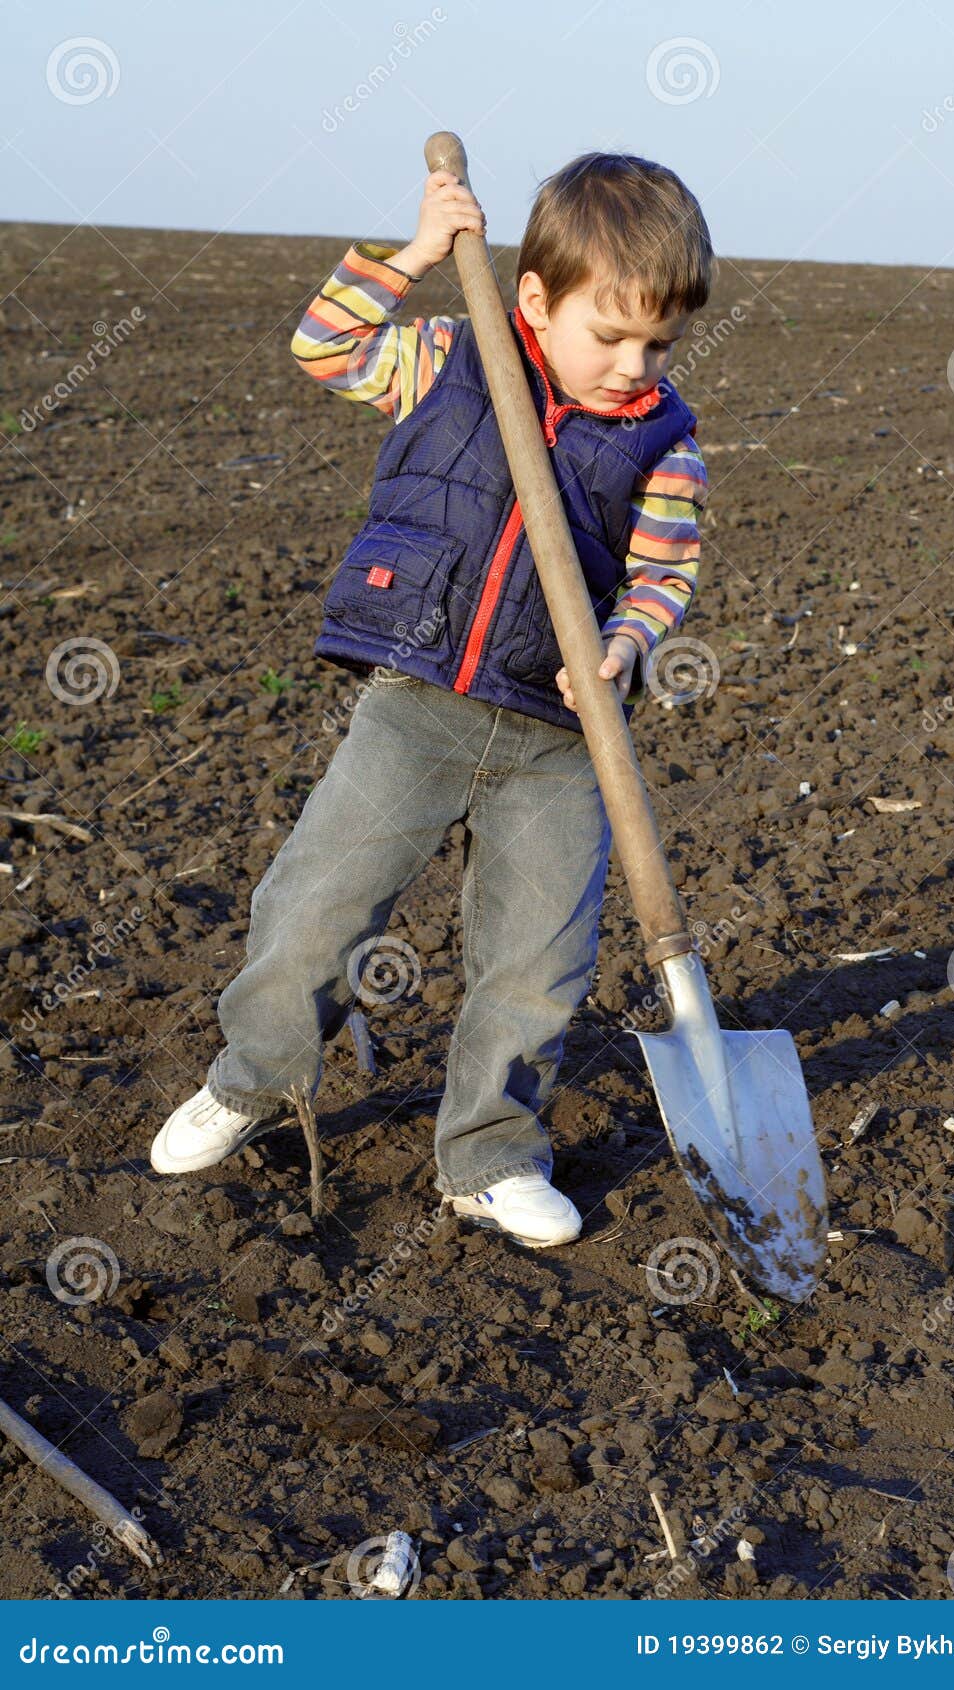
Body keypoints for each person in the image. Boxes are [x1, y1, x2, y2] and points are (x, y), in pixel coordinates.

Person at [150, 152, 712, 1248]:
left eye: (659, 344)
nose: (633, 366)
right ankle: (253, 1077)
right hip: (415, 704)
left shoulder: (664, 440)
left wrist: (623, 641)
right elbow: (324, 345)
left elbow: (661, 576)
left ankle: (490, 1154)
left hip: (559, 741)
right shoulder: (451, 359)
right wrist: (410, 254)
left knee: (537, 964)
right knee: (313, 907)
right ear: (533, 300)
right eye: (610, 336)